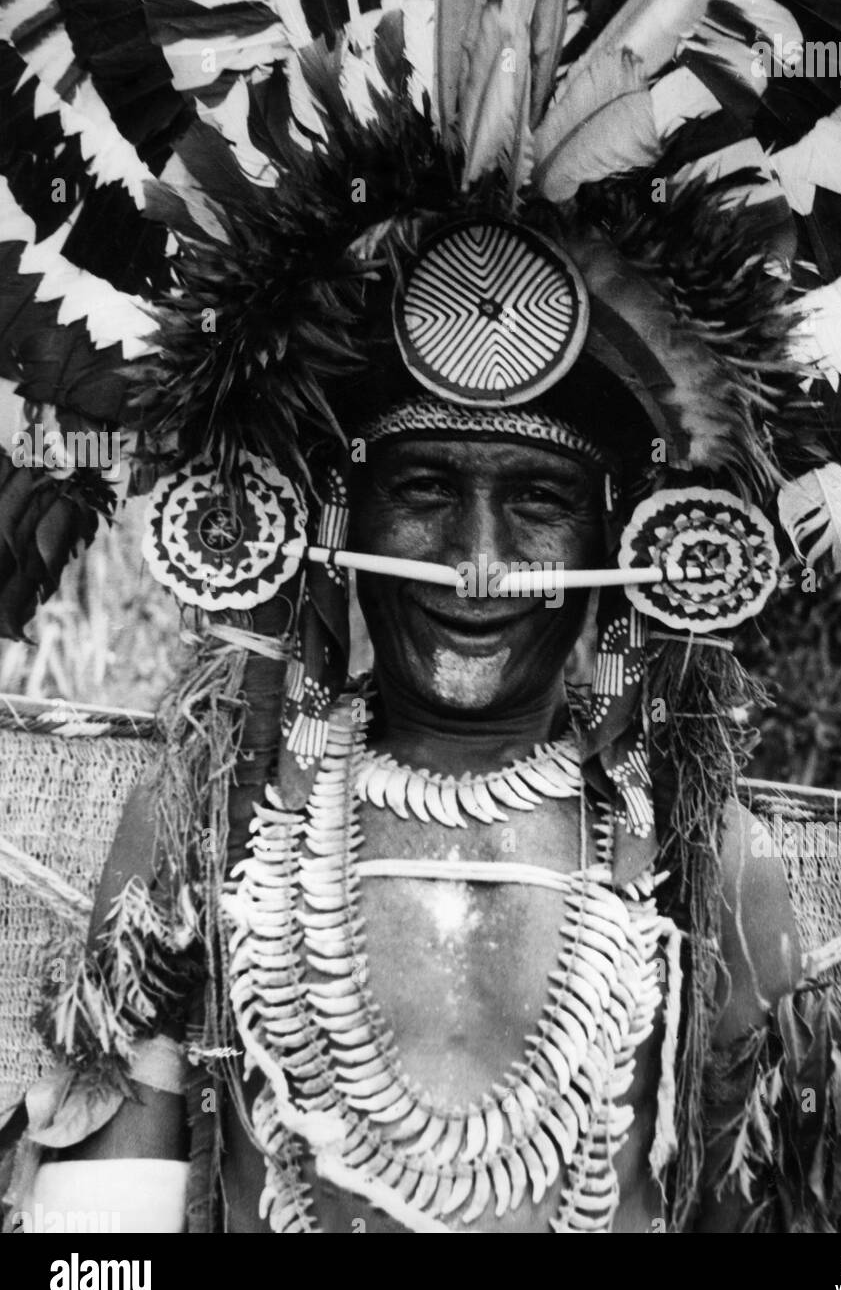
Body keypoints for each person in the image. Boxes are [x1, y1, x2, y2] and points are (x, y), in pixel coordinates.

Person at [18, 382, 800, 1234]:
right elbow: (98, 1236)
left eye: (540, 498)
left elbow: (756, 1209)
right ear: (343, 522)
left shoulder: (699, 853)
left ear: (616, 539)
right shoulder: (210, 814)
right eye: (425, 488)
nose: (479, 559)